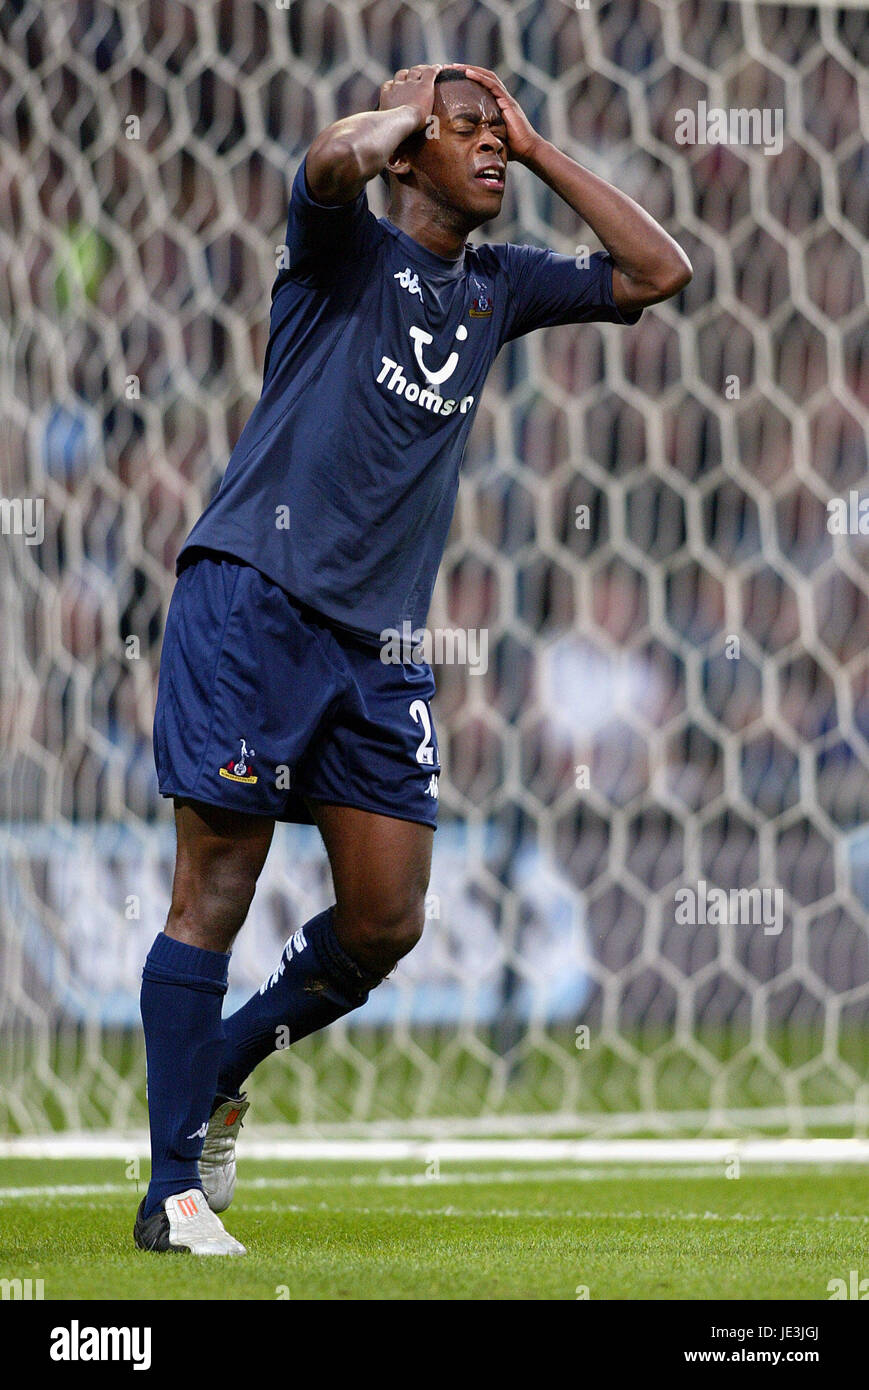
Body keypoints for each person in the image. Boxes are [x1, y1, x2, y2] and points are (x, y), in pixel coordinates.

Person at [135, 62, 692, 1254]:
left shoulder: (497, 286)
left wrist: (537, 151)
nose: (488, 147)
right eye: (467, 132)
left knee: (387, 917)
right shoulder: (341, 250)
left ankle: (222, 1066)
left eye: (497, 134)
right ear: (406, 151)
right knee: (215, 892)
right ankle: (169, 1192)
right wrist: (401, 115)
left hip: (376, 643)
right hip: (253, 600)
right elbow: (329, 164)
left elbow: (659, 273)